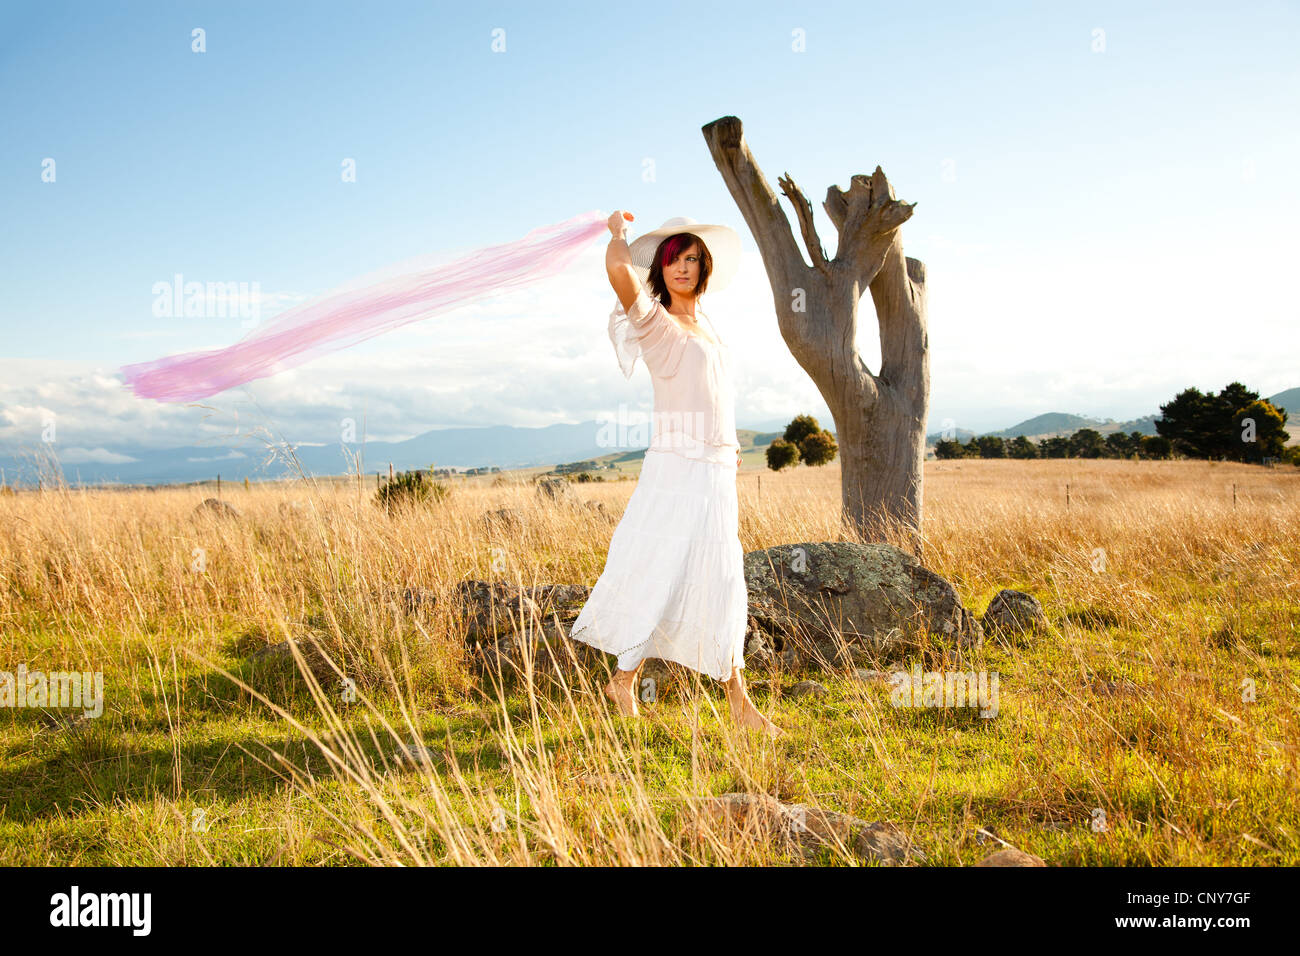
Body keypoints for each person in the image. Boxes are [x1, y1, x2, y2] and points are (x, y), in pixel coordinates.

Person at [569, 210, 781, 737]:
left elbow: (716, 395)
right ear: (660, 270)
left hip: (714, 470)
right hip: (674, 468)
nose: (683, 268)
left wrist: (727, 448)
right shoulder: (656, 325)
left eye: (691, 258)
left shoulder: (706, 325)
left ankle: (738, 702)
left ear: (703, 266)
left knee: (722, 576)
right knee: (659, 568)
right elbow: (619, 272)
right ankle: (626, 679)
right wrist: (617, 234)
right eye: (673, 260)